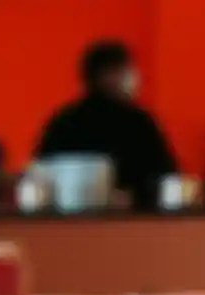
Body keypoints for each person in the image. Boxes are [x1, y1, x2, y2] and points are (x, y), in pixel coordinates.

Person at [36, 41, 176, 210]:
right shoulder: (138, 122)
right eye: (129, 72)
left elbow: (41, 174)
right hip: (132, 224)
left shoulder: (63, 121)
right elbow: (165, 178)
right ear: (109, 75)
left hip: (65, 225)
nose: (136, 79)